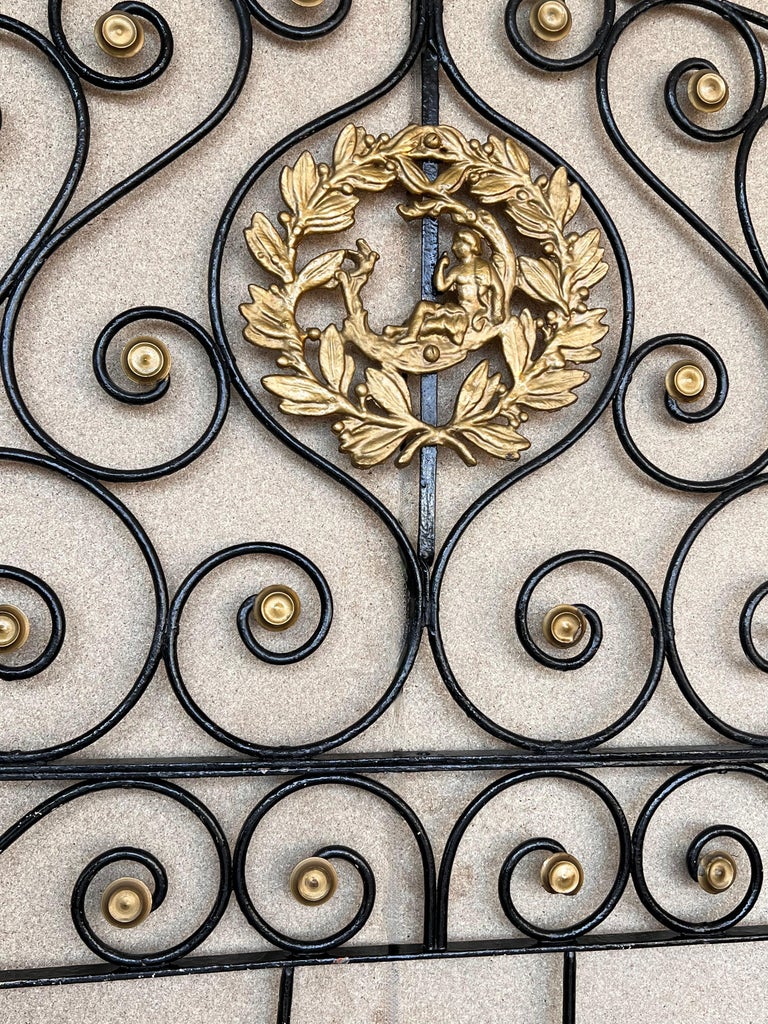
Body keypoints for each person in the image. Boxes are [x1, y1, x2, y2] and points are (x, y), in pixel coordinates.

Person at [384, 228, 505, 347]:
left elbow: (498, 290)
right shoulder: (457, 270)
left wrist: (497, 312)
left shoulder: (485, 267)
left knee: (431, 325)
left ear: (471, 245)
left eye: (458, 243)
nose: (454, 248)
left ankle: (401, 331)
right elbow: (440, 287)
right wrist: (441, 265)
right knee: (423, 306)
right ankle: (410, 335)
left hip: (469, 317)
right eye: (454, 244)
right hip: (457, 311)